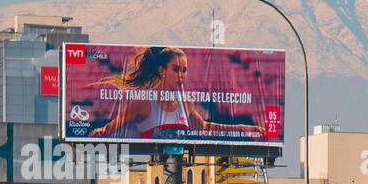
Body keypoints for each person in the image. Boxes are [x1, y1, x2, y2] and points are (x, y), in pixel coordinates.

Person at [88, 47, 264, 140]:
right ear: (162, 70)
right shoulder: (143, 102)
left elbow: (204, 128)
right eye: (176, 69)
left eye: (184, 70)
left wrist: (243, 129)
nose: (181, 76)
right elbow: (114, 125)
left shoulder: (185, 102)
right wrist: (103, 130)